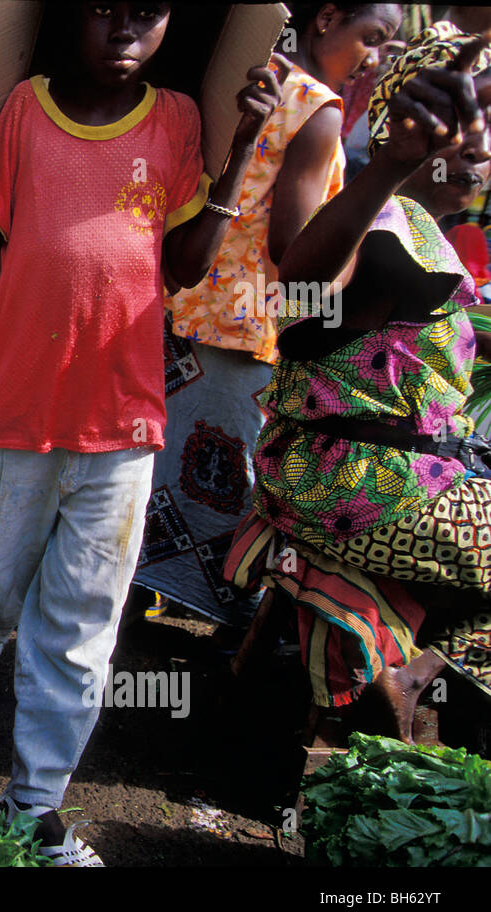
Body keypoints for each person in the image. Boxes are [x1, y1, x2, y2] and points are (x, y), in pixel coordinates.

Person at [0, 2, 280, 863]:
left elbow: (184, 265)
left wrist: (237, 155)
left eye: (149, 12)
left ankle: (32, 801)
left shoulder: (176, 121)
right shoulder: (25, 110)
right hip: (16, 411)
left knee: (83, 618)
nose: (125, 29)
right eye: (104, 9)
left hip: (122, 418)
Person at [226, 24, 491, 741]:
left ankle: (393, 666)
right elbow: (308, 307)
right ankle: (409, 674)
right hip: (348, 480)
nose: (480, 147)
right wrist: (392, 166)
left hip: (352, 471)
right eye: (468, 121)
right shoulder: (389, 218)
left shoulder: (417, 229)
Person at [132, 4, 402, 634]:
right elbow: (295, 247)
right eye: (370, 39)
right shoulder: (318, 109)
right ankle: (221, 617)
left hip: (186, 306)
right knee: (224, 482)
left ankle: (138, 595)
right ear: (326, 18)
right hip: (246, 331)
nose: (371, 58)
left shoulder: (253, 79)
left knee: (161, 468)